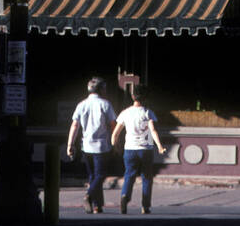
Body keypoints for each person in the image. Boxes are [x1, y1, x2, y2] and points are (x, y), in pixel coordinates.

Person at [111, 85, 166, 215]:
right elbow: (153, 131)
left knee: (129, 175)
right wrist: (159, 146)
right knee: (147, 177)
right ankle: (145, 206)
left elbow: (115, 134)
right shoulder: (148, 112)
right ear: (145, 97)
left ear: (132, 96)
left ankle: (125, 195)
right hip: (145, 149)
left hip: (129, 149)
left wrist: (115, 146)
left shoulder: (125, 112)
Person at [67, 77, 116, 214]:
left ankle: (97, 205)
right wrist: (116, 141)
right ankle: (88, 196)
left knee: (92, 175)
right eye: (104, 88)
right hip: (101, 145)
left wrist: (70, 143)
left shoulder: (81, 105)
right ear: (100, 89)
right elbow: (113, 125)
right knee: (100, 174)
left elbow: (75, 125)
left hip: (86, 145)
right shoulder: (105, 104)